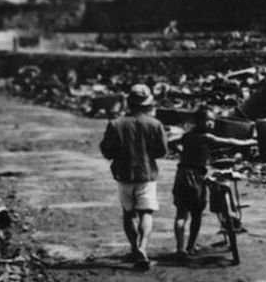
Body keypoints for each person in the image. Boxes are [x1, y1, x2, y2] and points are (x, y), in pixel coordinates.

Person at [99, 84, 169, 270]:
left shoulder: (116, 124)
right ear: (147, 104)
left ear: (129, 103)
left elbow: (106, 150)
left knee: (128, 213)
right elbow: (162, 151)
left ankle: (133, 247)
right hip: (146, 174)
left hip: (123, 174)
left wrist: (119, 154)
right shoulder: (155, 124)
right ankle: (143, 247)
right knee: (146, 212)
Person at [172, 107, 257, 257]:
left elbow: (172, 142)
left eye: (212, 121)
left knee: (181, 214)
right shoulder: (206, 137)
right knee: (197, 214)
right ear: (199, 121)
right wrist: (249, 142)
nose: (211, 124)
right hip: (196, 177)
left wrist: (182, 151)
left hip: (182, 175)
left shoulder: (187, 136)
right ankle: (190, 247)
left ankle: (180, 248)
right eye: (208, 120)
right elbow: (229, 141)